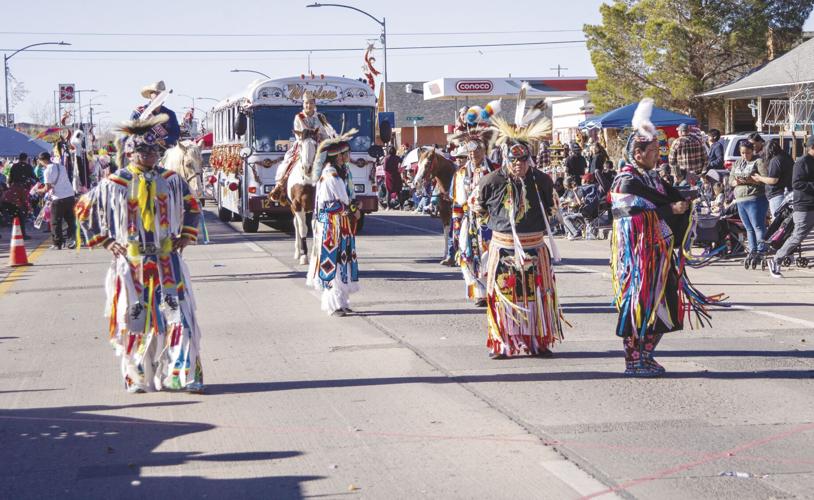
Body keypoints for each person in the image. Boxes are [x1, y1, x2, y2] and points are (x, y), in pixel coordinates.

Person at [74, 114, 204, 393]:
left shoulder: (172, 180)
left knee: (179, 316)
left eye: (155, 150)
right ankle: (137, 376)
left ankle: (180, 374)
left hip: (168, 261)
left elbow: (194, 206)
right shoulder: (115, 182)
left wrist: (185, 236)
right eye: (145, 150)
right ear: (132, 152)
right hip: (132, 263)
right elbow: (83, 209)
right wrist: (106, 241)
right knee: (135, 319)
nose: (151, 155)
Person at [610, 99, 722, 377]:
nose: (658, 155)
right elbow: (628, 219)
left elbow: (668, 195)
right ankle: (633, 360)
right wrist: (669, 209)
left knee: (665, 305)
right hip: (640, 261)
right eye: (653, 150)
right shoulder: (625, 181)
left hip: (659, 255)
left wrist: (685, 197)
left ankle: (646, 355)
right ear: (638, 153)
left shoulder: (651, 177)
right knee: (640, 307)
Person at [476, 117, 564, 359]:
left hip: (534, 247)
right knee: (506, 295)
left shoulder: (542, 181)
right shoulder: (491, 181)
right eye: (514, 160)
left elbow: (551, 209)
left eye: (523, 159)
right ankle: (503, 343)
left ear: (529, 158)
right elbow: (479, 209)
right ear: (506, 158)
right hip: (504, 248)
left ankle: (538, 342)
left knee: (536, 295)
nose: (518, 164)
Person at [307, 138, 361, 316]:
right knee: (334, 263)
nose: (348, 157)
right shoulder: (331, 175)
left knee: (343, 261)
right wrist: (352, 209)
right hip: (331, 226)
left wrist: (353, 208)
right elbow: (332, 204)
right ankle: (332, 304)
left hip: (340, 224)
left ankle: (342, 301)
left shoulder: (341, 173)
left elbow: (346, 200)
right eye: (346, 154)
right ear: (338, 156)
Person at [455, 136, 497, 306]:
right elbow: (457, 203)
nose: (472, 154)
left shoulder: (495, 170)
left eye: (476, 150)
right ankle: (479, 293)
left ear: (484, 150)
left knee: (490, 254)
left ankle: (492, 291)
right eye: (469, 151)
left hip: (490, 220)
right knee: (468, 254)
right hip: (469, 219)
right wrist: (456, 225)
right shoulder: (461, 173)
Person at [768, 136, 814, 278]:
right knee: (798, 236)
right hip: (804, 206)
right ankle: (776, 260)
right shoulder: (802, 163)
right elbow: (797, 184)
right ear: (812, 148)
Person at [729, 140, 769, 262]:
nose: (745, 155)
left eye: (747, 153)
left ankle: (761, 250)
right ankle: (752, 251)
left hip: (755, 197)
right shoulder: (737, 163)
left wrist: (753, 180)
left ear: (752, 151)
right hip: (740, 199)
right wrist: (736, 182)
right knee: (748, 228)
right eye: (742, 153)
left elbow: (765, 179)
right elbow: (731, 179)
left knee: (758, 226)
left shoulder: (758, 161)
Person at [38, 152, 76, 249]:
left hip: (58, 198)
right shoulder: (61, 166)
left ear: (42, 160)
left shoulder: (47, 171)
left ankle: (58, 243)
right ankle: (72, 240)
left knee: (55, 221)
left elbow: (47, 187)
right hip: (70, 196)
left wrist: (38, 190)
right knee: (70, 220)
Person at [131, 81, 181, 150]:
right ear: (150, 95)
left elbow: (175, 135)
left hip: (163, 151)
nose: (160, 96)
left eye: (163, 94)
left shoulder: (170, 114)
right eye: (157, 93)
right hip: (141, 151)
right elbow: (131, 133)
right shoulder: (138, 113)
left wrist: (165, 140)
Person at [293, 92, 333, 177]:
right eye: (306, 103)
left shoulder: (320, 117)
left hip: (318, 143)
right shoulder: (298, 117)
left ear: (315, 104)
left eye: (311, 103)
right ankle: (282, 182)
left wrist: (324, 141)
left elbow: (325, 133)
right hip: (303, 144)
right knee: (288, 159)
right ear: (303, 104)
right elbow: (298, 135)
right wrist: (302, 142)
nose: (309, 105)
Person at [754, 139, 794, 218]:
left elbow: (773, 180)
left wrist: (759, 178)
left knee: (778, 221)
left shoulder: (775, 160)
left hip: (777, 194)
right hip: (788, 192)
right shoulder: (787, 156)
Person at [5, 152, 38, 239]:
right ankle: (23, 235)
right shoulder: (28, 167)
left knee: (16, 215)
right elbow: (34, 177)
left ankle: (17, 233)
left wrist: (10, 187)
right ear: (26, 158)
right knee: (21, 213)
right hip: (23, 191)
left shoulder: (14, 166)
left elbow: (10, 179)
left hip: (14, 190)